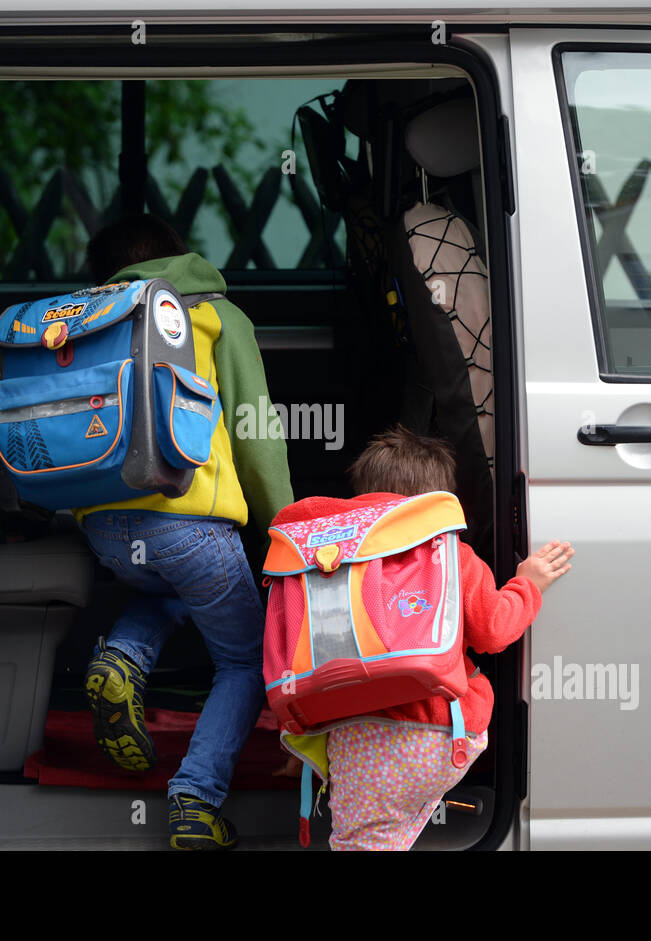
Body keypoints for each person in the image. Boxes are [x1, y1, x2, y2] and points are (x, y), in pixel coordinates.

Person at [75, 213, 294, 850]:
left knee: (164, 591)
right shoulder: (214, 315)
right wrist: (287, 529)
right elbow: (256, 434)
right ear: (181, 256)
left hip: (107, 530)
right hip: (190, 524)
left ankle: (120, 658)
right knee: (247, 659)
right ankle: (196, 798)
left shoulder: (93, 316)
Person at [271, 424, 573, 850]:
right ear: (437, 502)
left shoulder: (325, 565)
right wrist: (528, 584)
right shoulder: (451, 556)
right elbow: (494, 631)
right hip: (438, 735)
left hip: (352, 739)